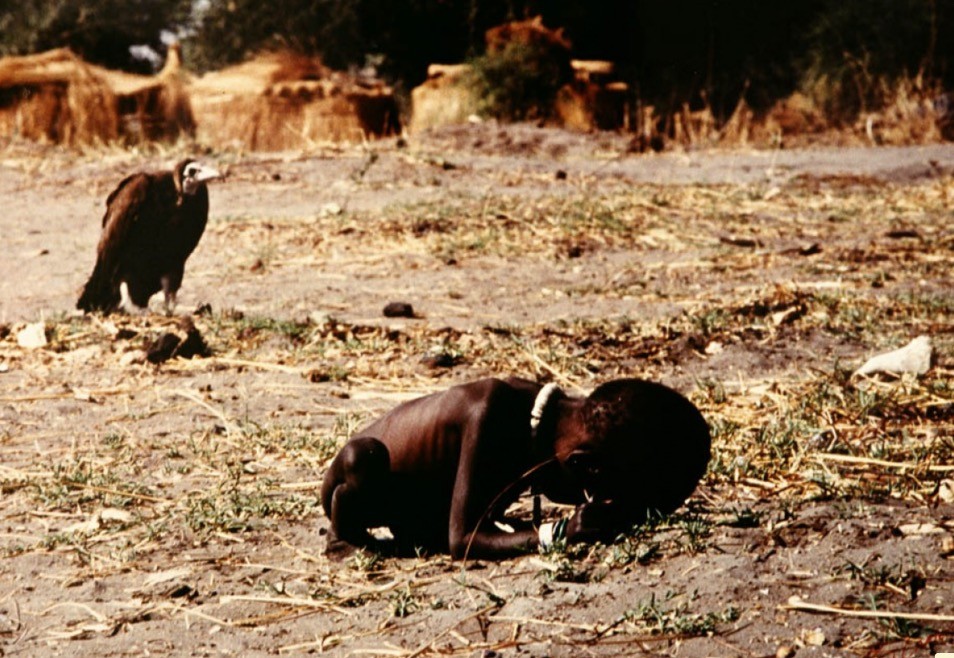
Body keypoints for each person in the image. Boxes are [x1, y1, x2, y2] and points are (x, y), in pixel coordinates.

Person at [320, 377, 710, 559]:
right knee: (363, 460)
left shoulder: (542, 424)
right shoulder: (492, 414)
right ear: (582, 466)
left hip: (422, 502)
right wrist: (559, 533)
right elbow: (465, 540)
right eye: (592, 492)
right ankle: (345, 533)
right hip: (365, 480)